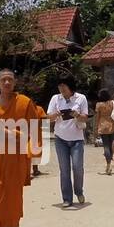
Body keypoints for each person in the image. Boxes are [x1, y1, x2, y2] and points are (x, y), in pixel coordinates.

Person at [0, 69, 41, 227]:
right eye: (4, 80)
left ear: (15, 82)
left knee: (14, 194)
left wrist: (11, 133)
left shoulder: (24, 102)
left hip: (16, 155)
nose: (7, 83)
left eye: (10, 80)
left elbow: (33, 128)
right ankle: (4, 225)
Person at [45, 76, 89, 207]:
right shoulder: (55, 98)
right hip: (60, 139)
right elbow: (48, 117)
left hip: (77, 139)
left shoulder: (81, 98)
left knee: (77, 167)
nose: (62, 89)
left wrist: (77, 115)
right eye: (60, 86)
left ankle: (79, 191)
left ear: (70, 86)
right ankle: (67, 198)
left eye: (64, 86)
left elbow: (85, 118)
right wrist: (57, 114)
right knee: (64, 169)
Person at [94, 89, 114, 175]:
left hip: (103, 126)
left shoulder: (99, 105)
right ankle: (109, 164)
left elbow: (97, 117)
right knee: (110, 146)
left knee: (106, 146)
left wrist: (96, 128)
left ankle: (108, 165)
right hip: (112, 124)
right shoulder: (112, 102)